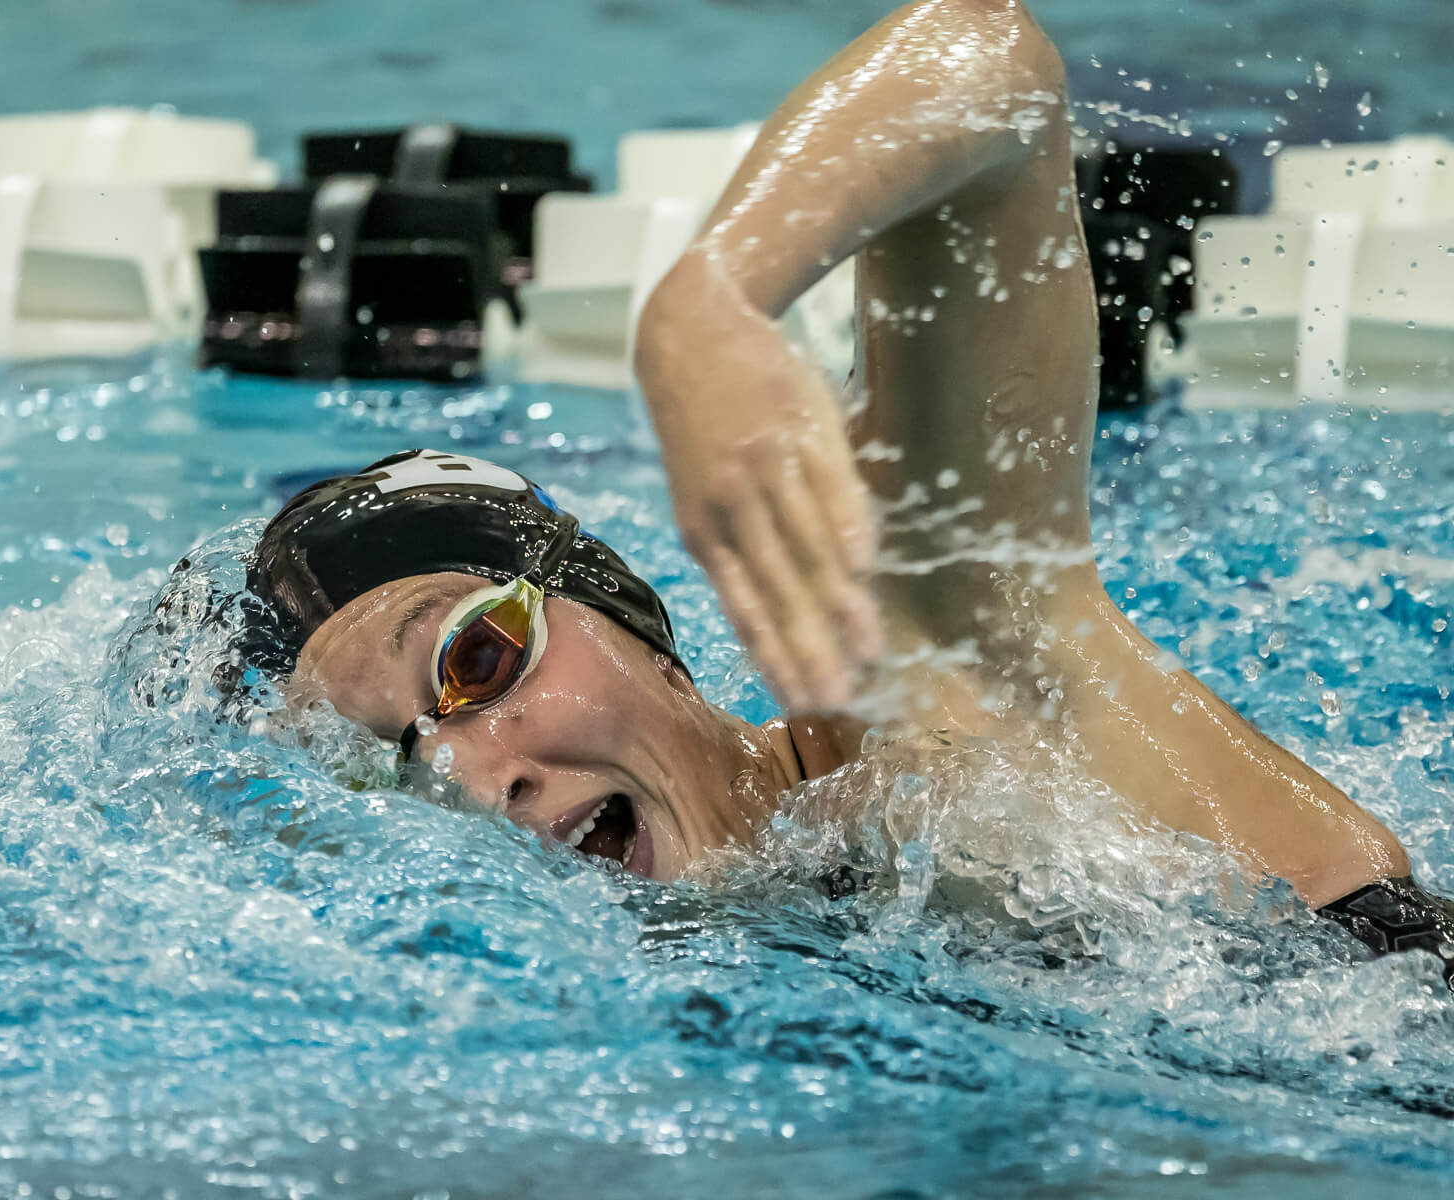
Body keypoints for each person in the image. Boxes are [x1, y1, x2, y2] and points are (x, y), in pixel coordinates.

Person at [241, 0, 1454, 979]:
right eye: (390, 766)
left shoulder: (924, 677)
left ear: (637, 633)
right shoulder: (735, 954)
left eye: (476, 661)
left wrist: (705, 305)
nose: (465, 772)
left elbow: (991, 60)